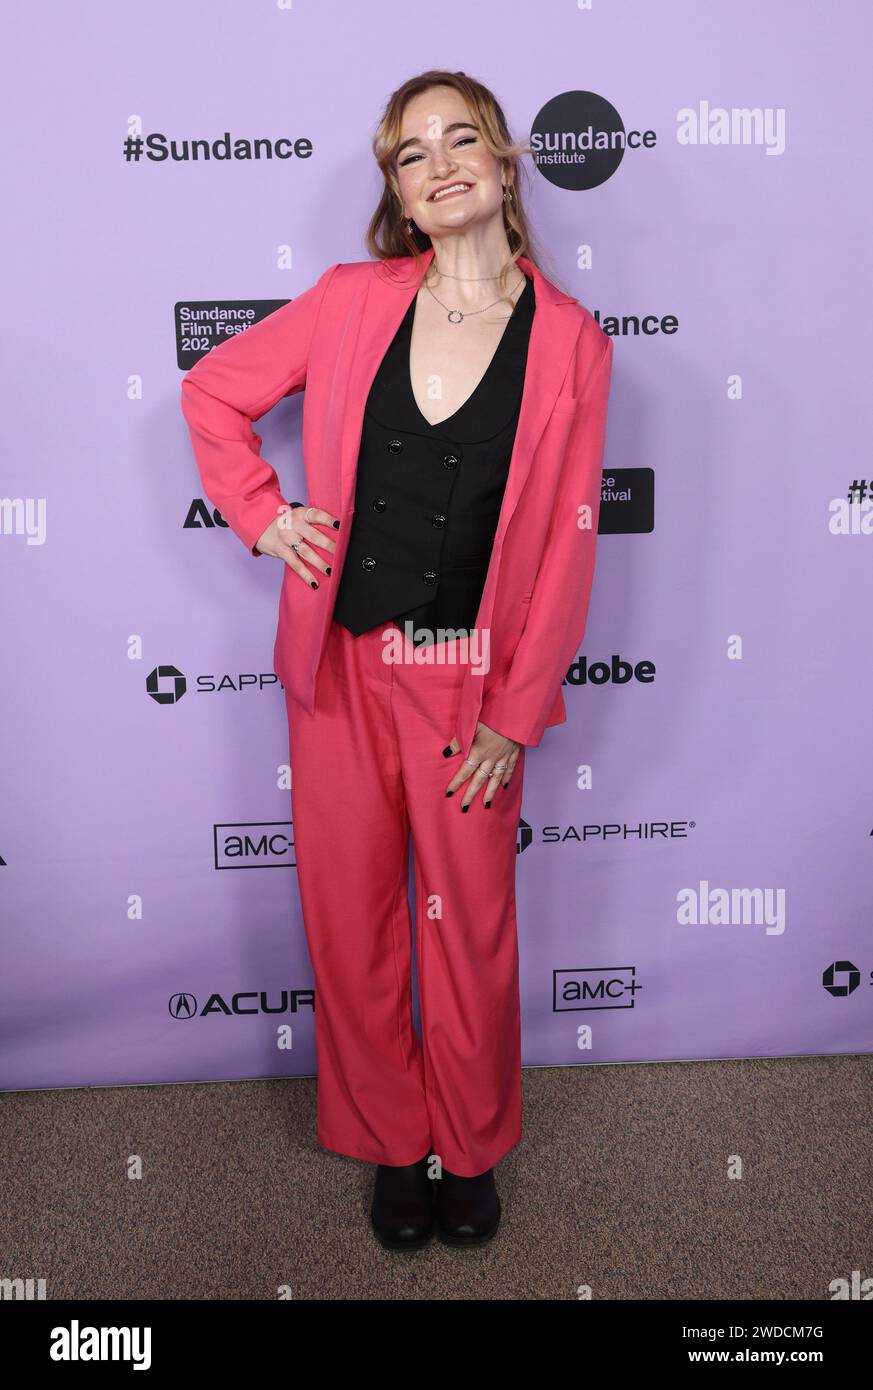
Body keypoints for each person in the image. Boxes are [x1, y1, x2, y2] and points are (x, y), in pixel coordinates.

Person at [181, 68, 614, 1252]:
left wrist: (514, 714)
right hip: (338, 674)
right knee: (352, 918)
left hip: (469, 684)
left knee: (467, 926)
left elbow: (569, 549)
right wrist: (266, 513)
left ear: (505, 160)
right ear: (399, 193)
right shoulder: (350, 299)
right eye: (410, 153)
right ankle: (390, 1142)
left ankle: (466, 1149)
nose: (439, 164)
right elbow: (213, 392)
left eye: (459, 138)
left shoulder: (571, 342)